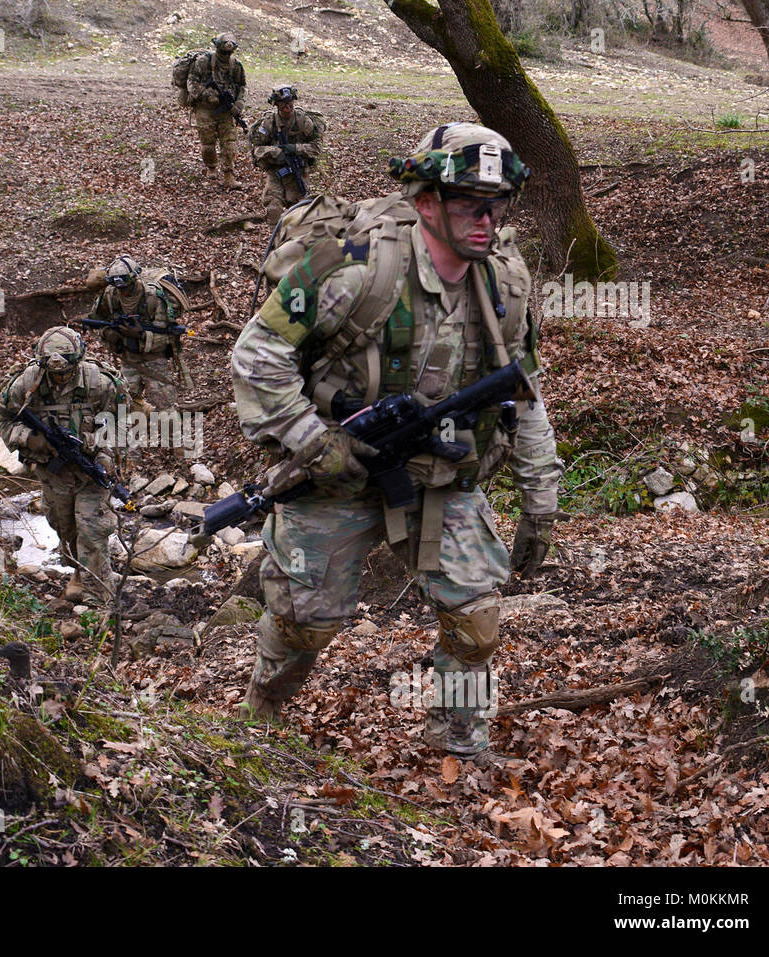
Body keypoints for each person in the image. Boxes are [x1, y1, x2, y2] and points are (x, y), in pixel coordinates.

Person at [230, 122, 564, 765]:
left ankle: (459, 746)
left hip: (441, 477)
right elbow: (257, 355)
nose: (486, 221)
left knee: (476, 617)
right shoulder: (354, 268)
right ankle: (260, 718)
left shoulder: (505, 285)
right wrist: (311, 440)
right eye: (469, 203)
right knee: (307, 622)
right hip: (335, 470)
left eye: (497, 206)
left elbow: (523, 395)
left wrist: (540, 498)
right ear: (426, 200)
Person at [0, 327, 124, 604]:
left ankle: (98, 598)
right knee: (63, 525)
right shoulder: (25, 385)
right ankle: (78, 571)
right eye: (54, 372)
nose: (60, 377)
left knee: (91, 529)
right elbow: (5, 420)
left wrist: (105, 456)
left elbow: (121, 426)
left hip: (92, 467)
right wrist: (30, 439)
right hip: (53, 471)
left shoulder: (100, 384)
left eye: (66, 371)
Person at [86, 256, 182, 413]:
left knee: (166, 407)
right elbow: (96, 320)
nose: (123, 292)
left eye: (127, 287)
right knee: (124, 405)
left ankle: (172, 435)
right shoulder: (110, 295)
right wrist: (110, 333)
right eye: (120, 288)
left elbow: (167, 336)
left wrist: (141, 335)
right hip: (128, 359)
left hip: (154, 360)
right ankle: (141, 428)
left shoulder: (153, 297)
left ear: (135, 280)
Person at [250, 85, 322, 224]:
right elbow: (257, 149)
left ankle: (294, 240)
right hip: (275, 172)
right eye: (282, 103)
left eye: (289, 102)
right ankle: (275, 241)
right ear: (276, 105)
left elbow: (316, 147)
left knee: (297, 211)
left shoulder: (303, 121)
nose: (286, 106)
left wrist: (295, 148)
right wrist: (275, 152)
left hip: (298, 171)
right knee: (273, 208)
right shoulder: (269, 123)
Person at [186, 33, 247, 189]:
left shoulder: (236, 65)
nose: (226, 55)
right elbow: (191, 81)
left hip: (226, 110)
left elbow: (242, 87)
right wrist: (206, 95)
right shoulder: (203, 62)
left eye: (229, 52)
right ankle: (211, 167)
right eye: (223, 52)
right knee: (208, 144)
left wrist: (239, 104)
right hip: (205, 109)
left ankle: (229, 174)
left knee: (230, 142)